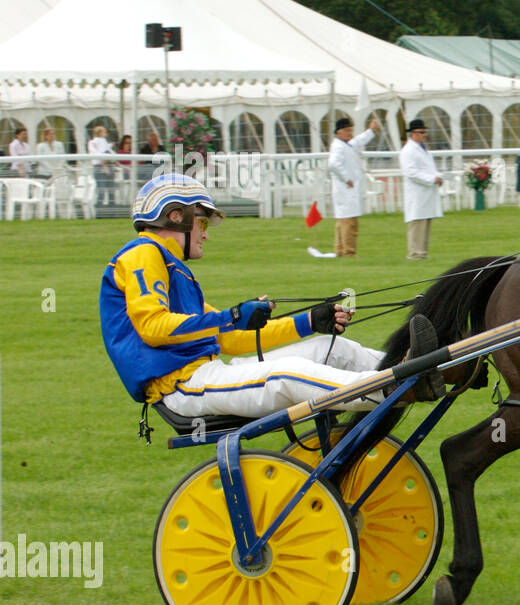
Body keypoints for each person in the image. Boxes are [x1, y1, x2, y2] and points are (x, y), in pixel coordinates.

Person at [99, 173, 441, 422]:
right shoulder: (144, 253)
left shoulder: (171, 266)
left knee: (330, 348)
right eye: (202, 222)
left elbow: (230, 338)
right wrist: (232, 316)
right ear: (177, 216)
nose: (206, 233)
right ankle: (394, 387)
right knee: (287, 374)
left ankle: (416, 366)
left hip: (205, 373)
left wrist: (308, 323)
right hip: (181, 386)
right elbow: (153, 328)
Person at [328, 115, 380, 257]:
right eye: (347, 131)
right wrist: (346, 178)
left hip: (346, 190)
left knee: (343, 221)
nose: (350, 134)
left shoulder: (347, 144)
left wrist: (371, 130)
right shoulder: (338, 146)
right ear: (339, 132)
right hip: (345, 189)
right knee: (349, 222)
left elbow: (358, 141)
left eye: (351, 131)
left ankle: (340, 249)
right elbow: (333, 164)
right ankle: (349, 251)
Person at [399, 118, 443, 260]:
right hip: (417, 193)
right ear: (413, 133)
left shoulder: (424, 149)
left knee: (425, 223)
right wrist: (431, 179)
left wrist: (437, 177)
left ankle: (422, 252)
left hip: (426, 192)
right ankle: (415, 253)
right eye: (421, 132)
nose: (424, 134)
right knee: (417, 222)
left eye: (425, 132)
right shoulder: (408, 150)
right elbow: (411, 172)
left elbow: (428, 168)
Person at [88, 125, 116, 206]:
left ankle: (111, 207)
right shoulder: (93, 142)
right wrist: (104, 158)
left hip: (108, 165)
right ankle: (100, 208)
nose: (106, 134)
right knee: (101, 188)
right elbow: (98, 153)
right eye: (104, 132)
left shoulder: (103, 142)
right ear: (99, 133)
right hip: (99, 166)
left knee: (110, 187)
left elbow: (110, 152)